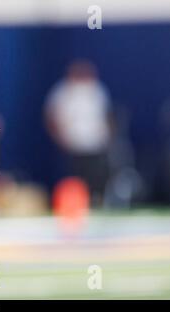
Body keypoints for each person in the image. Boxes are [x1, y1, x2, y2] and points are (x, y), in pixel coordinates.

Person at [44, 59, 113, 206]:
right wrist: (60, 138)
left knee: (95, 175)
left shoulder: (97, 90)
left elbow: (106, 115)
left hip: (94, 144)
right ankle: (74, 202)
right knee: (75, 177)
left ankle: (97, 200)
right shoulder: (62, 91)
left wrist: (106, 136)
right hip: (73, 145)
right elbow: (52, 117)